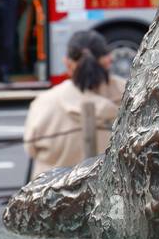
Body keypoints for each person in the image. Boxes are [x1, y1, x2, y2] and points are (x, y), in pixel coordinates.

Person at [23, 32, 123, 179]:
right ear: (108, 60)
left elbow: (30, 148)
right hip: (113, 193)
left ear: (67, 63)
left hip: (51, 194)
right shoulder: (129, 96)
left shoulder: (44, 103)